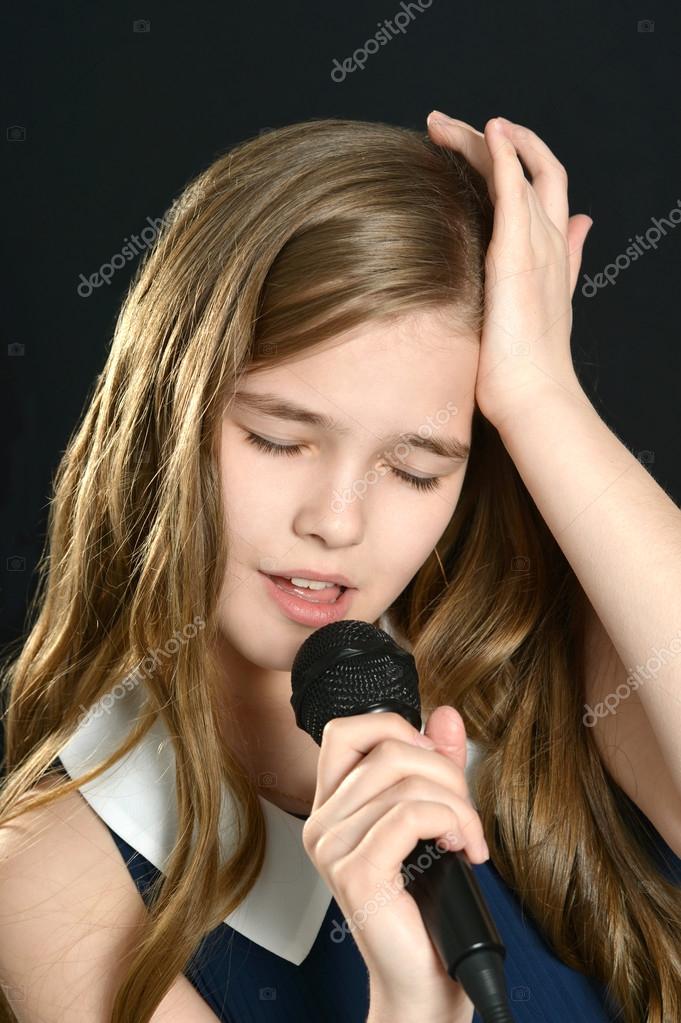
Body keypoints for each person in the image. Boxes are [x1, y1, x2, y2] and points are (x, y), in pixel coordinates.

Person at [0, 113, 680, 1023]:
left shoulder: (571, 660)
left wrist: (538, 392)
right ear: (167, 415)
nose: (335, 522)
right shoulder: (50, 867)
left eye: (414, 468)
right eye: (279, 439)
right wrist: (411, 1005)